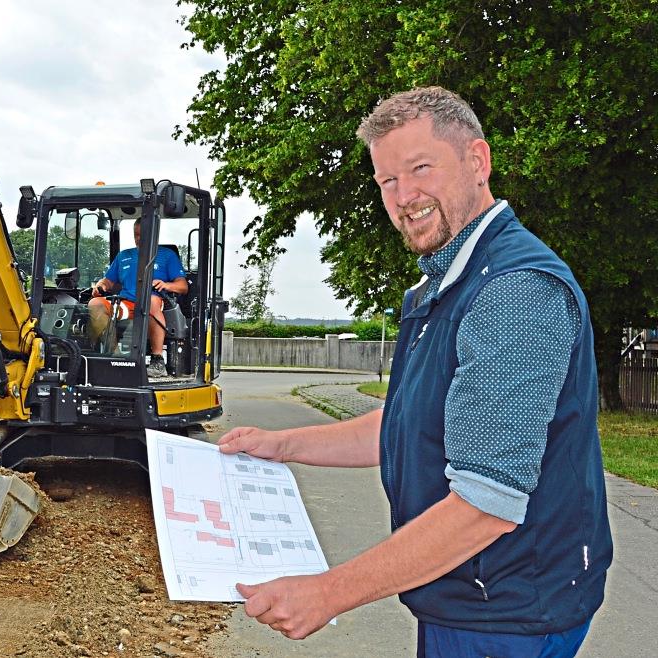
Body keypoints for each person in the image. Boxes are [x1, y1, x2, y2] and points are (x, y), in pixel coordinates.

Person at [218, 86, 612, 656]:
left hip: (507, 615)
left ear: (477, 161)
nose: (404, 196)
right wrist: (282, 444)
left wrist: (328, 593)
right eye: (387, 181)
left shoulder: (514, 290)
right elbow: (406, 425)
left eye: (420, 168)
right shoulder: (443, 285)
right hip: (467, 600)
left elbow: (486, 505)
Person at [88, 218, 188, 377]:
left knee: (151, 301)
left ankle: (157, 361)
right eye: (136, 235)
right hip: (126, 303)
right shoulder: (124, 256)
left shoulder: (167, 255)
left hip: (154, 301)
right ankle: (115, 356)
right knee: (95, 304)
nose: (139, 238)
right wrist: (101, 285)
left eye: (144, 235)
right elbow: (108, 281)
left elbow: (183, 286)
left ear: (154, 235)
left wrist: (166, 285)